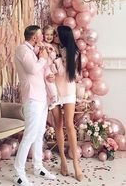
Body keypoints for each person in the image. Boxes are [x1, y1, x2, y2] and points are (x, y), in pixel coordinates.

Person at [14, 25, 56, 186]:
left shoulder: (35, 51)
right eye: (40, 35)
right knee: (29, 135)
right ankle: (19, 173)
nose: (43, 37)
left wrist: (49, 73)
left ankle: (38, 167)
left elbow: (42, 68)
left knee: (39, 134)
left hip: (42, 97)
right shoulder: (22, 50)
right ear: (34, 37)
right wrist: (43, 58)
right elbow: (32, 69)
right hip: (32, 98)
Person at [50, 25, 83, 181]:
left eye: (57, 34)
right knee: (58, 125)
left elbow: (72, 75)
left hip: (68, 92)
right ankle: (63, 160)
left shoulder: (74, 53)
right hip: (55, 92)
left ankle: (76, 164)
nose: (54, 36)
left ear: (63, 37)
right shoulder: (51, 49)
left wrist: (58, 60)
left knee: (69, 126)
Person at [42, 25, 59, 109]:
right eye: (47, 34)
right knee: (47, 83)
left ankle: (54, 97)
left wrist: (50, 52)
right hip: (43, 67)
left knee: (50, 82)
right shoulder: (42, 44)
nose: (49, 37)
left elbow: (53, 57)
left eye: (51, 35)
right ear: (43, 35)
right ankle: (51, 98)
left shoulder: (51, 46)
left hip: (48, 67)